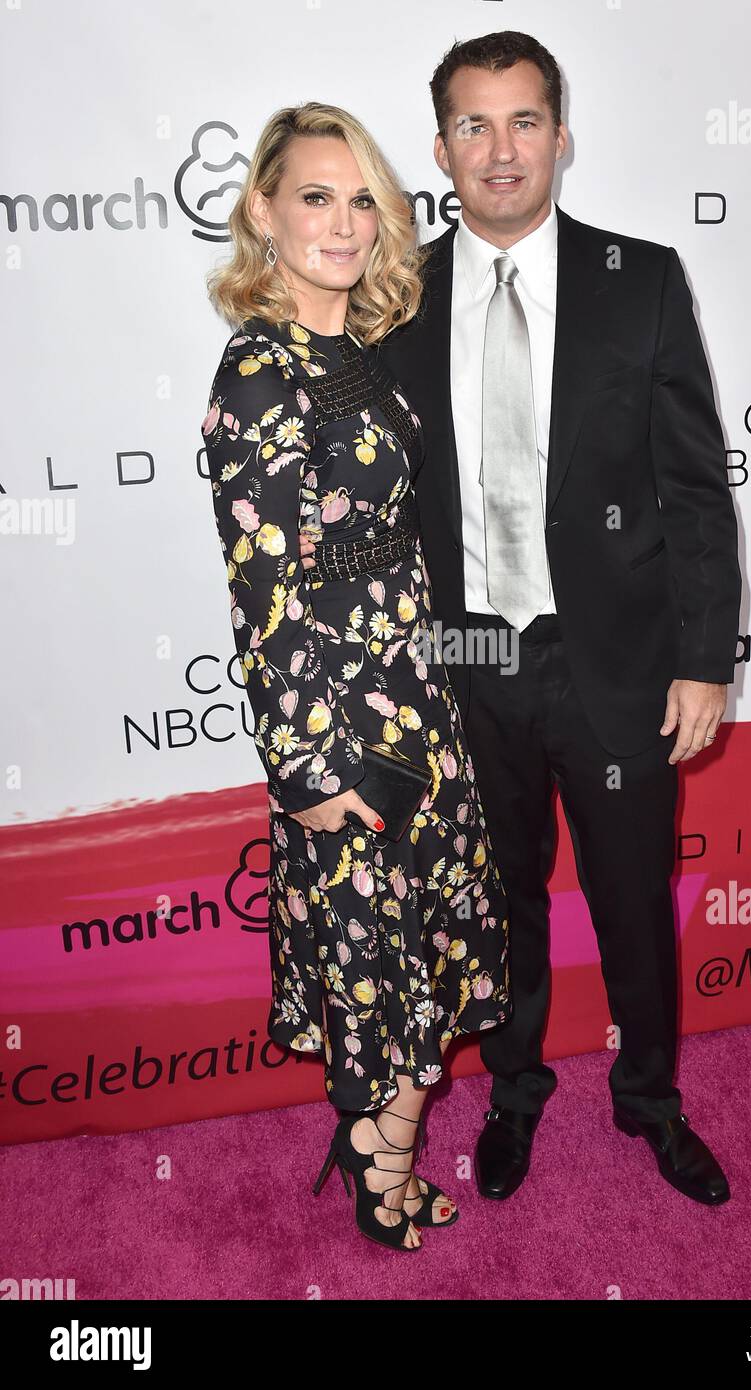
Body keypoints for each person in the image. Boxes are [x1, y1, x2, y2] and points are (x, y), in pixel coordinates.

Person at [303, 31, 742, 1207]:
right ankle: (514, 1090)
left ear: (560, 134)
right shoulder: (397, 293)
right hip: (463, 663)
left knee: (632, 897)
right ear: (439, 146)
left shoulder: (638, 279)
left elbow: (694, 487)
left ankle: (649, 1098)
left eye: (524, 121)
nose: (501, 150)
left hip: (614, 661)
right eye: (474, 126)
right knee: (493, 903)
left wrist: (704, 660)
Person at [201, 102, 512, 1251]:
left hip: (417, 700)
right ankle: (380, 1173)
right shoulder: (260, 370)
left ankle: (378, 1144)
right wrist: (306, 766)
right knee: (377, 959)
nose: (341, 221)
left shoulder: (358, 353)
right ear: (265, 213)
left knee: (423, 946)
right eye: (315, 196)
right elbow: (264, 592)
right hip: (340, 725)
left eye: (361, 198)